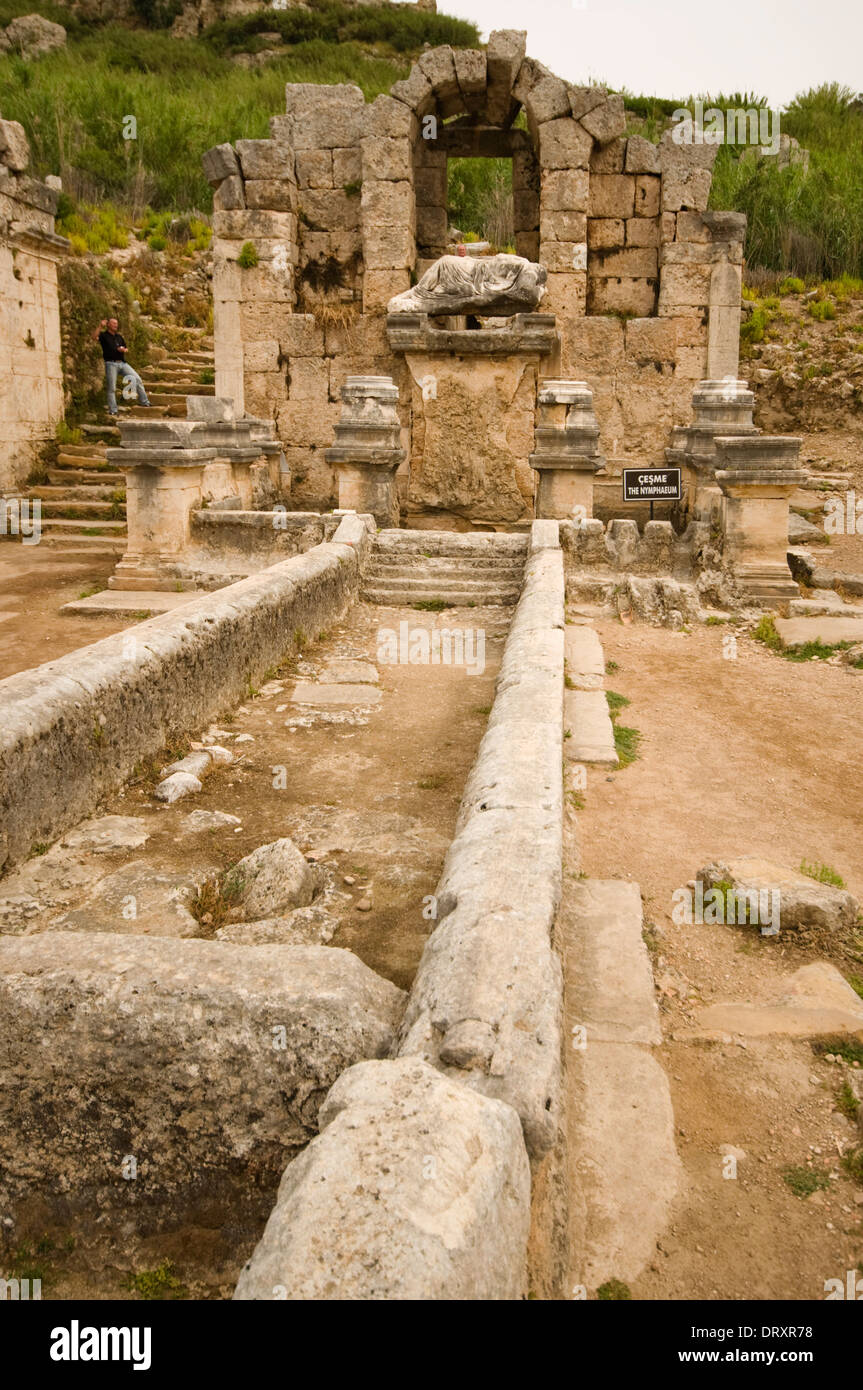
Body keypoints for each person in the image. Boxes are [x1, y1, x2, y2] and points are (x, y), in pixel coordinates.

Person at [95, 317, 150, 416]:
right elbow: (94, 337)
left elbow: (126, 348)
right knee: (112, 388)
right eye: (114, 323)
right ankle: (113, 410)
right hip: (111, 364)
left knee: (137, 379)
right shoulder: (104, 336)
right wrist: (100, 326)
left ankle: (145, 402)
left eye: (117, 323)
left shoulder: (119, 337)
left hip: (122, 363)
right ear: (108, 325)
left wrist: (124, 350)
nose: (116, 325)